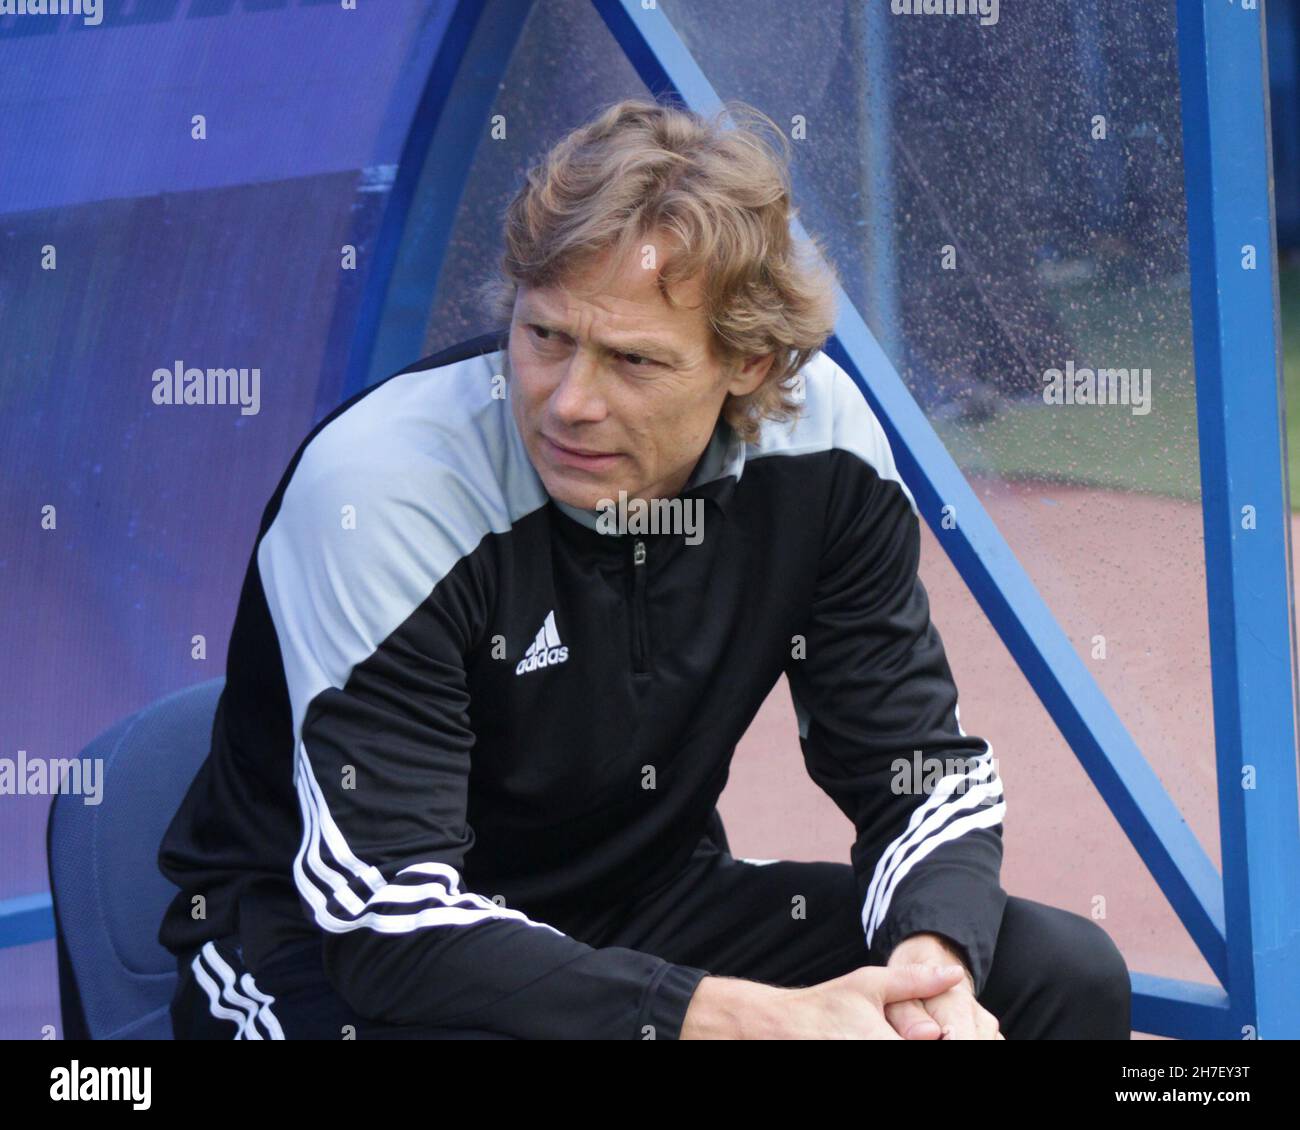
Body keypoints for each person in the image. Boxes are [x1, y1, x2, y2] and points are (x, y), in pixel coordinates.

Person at [157, 97, 1130, 1040]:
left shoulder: (819, 440)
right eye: (545, 336)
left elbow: (914, 772)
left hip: (638, 903)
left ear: (748, 366)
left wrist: (933, 968)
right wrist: (744, 1018)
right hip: (330, 950)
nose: (569, 401)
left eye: (632, 361)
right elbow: (385, 923)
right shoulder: (384, 486)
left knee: (1056, 974)